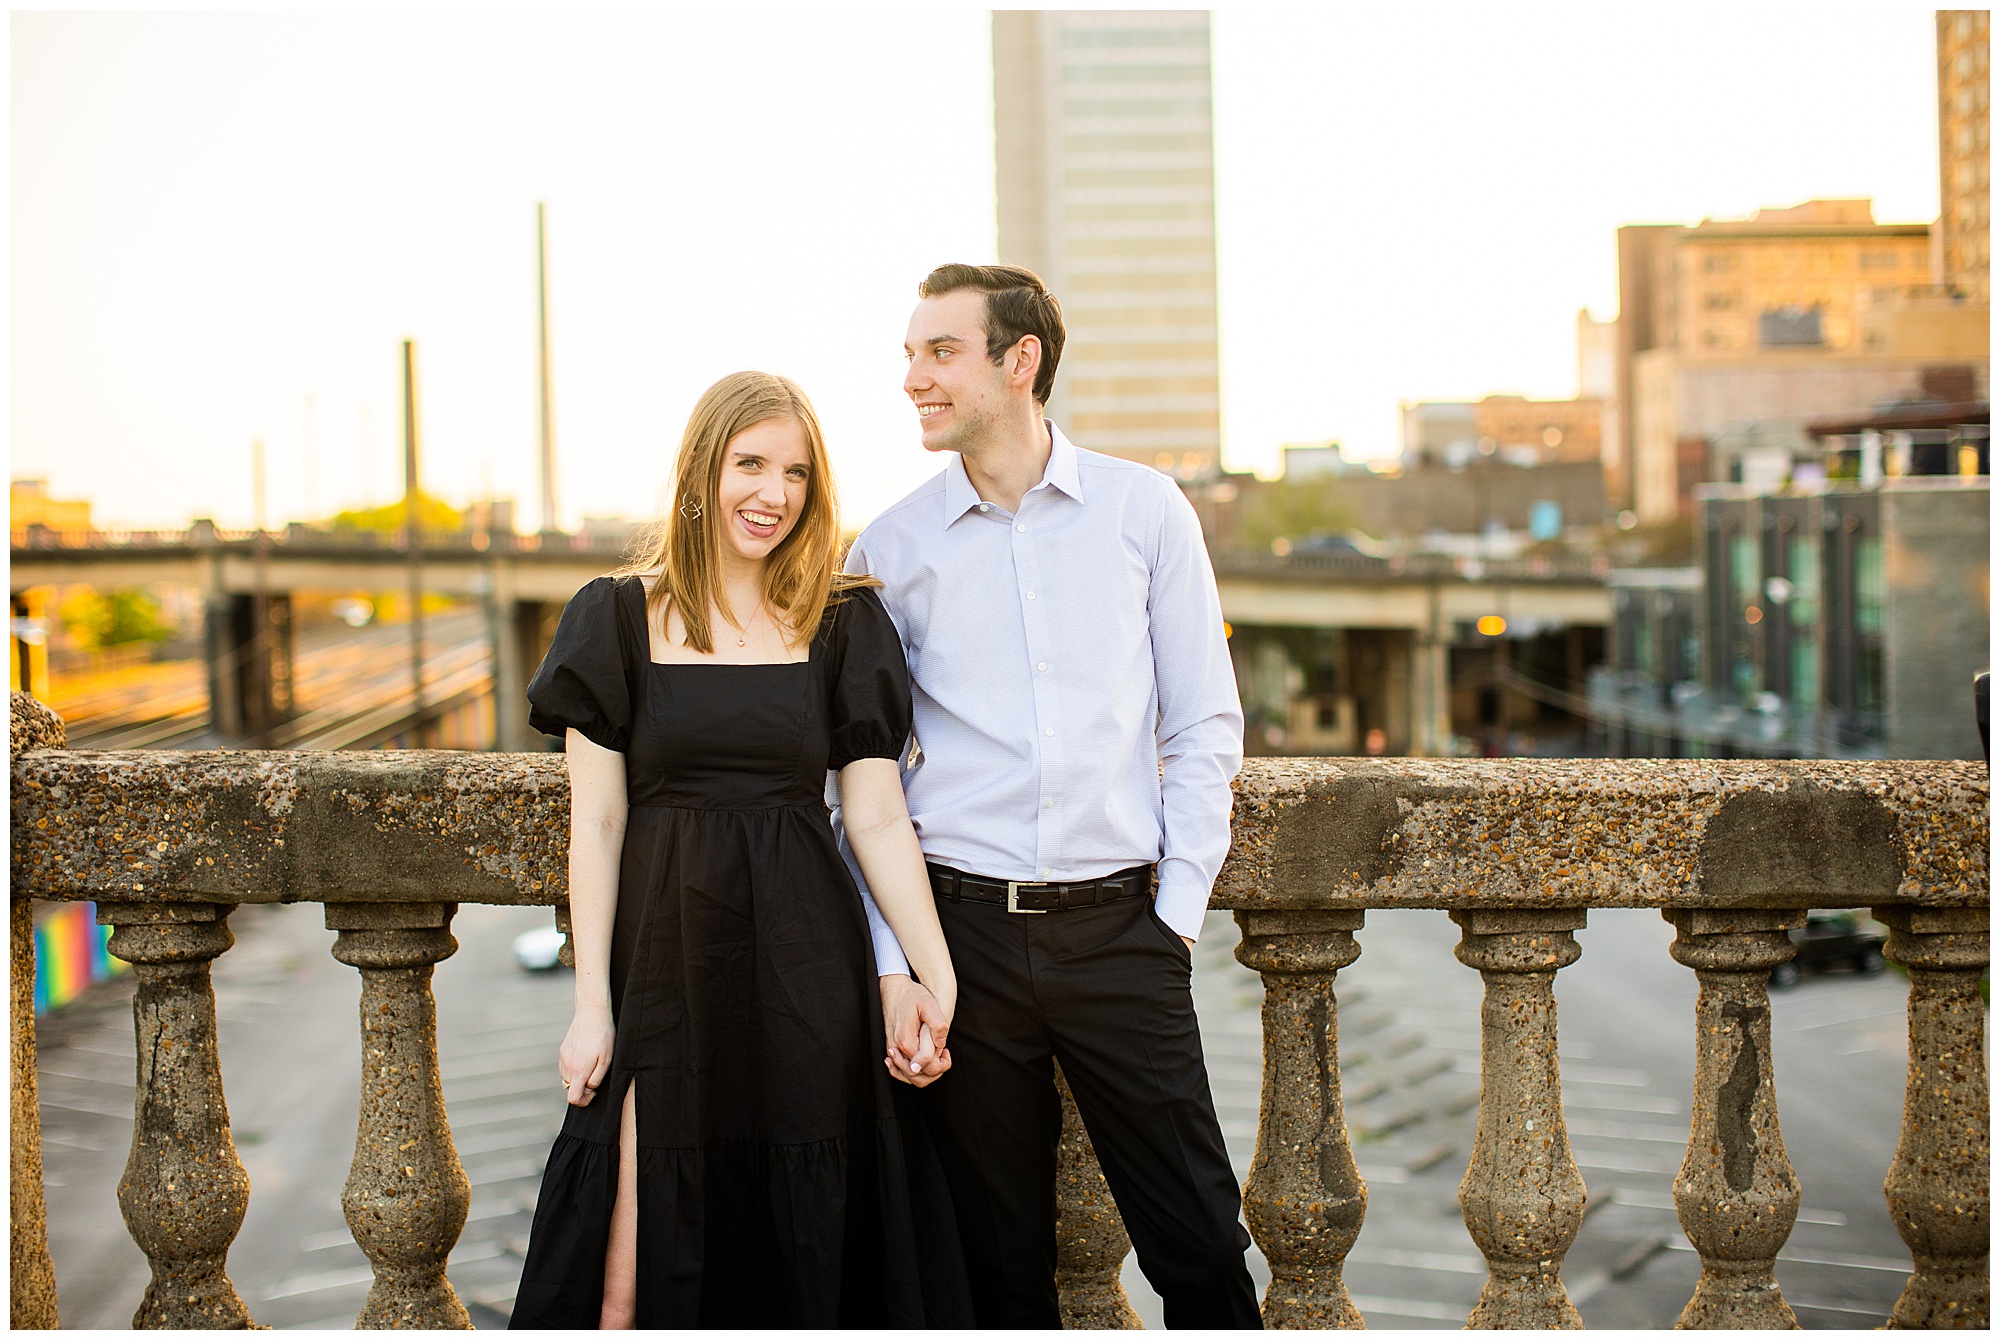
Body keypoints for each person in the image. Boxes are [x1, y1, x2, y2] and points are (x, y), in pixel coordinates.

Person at [836, 265, 1263, 1328]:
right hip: (961, 945)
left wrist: (1172, 917)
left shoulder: (1142, 510)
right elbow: (857, 784)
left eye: (938, 352)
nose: (911, 380)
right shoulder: (885, 553)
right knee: (992, 1275)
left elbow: (1203, 722)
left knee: (1203, 1250)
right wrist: (897, 964)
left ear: (1017, 360)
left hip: (1123, 932)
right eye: (907, 354)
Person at [510, 370, 972, 1329]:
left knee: (806, 1241)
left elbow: (877, 816)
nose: (774, 493)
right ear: (701, 468)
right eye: (750, 463)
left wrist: (933, 973)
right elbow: (594, 823)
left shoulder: (844, 621)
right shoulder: (615, 618)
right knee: (626, 1272)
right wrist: (591, 1004)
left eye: (796, 473)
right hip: (666, 973)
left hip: (809, 974)